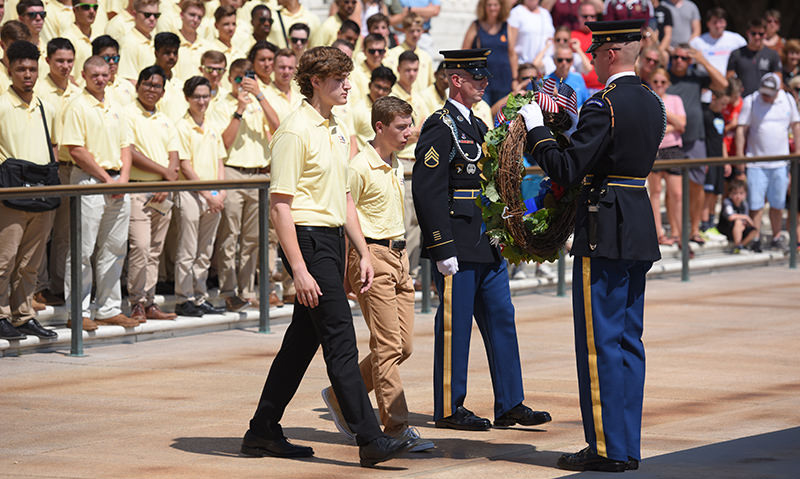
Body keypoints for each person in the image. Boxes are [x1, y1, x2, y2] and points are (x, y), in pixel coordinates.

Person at [241, 46, 410, 466]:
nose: (348, 85)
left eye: (348, 77)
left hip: (333, 240)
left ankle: (261, 431)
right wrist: (298, 268)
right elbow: (280, 204)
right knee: (341, 340)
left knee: (300, 345)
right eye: (338, 79)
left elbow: (345, 196)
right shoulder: (294, 130)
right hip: (307, 242)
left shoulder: (337, 126)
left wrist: (361, 250)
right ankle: (370, 439)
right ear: (315, 81)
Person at [520, 20, 665, 472]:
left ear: (610, 54)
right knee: (627, 343)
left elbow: (566, 167)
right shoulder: (653, 102)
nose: (592, 58)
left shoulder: (606, 104)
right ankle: (626, 446)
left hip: (604, 228)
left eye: (596, 51)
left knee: (599, 344)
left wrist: (536, 129)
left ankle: (605, 449)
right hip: (637, 223)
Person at [413, 48, 551, 431]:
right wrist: (441, 247)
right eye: (476, 77)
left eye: (485, 77)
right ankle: (448, 407)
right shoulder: (441, 126)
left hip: (488, 243)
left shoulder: (476, 124)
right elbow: (427, 192)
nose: (484, 83)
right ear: (455, 80)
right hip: (457, 245)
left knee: (502, 319)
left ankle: (510, 402)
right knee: (455, 329)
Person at [322, 95, 434, 452]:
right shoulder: (358, 166)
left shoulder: (395, 161)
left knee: (404, 346)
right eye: (401, 127)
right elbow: (344, 217)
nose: (408, 133)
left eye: (409, 125)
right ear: (380, 127)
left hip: (398, 257)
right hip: (370, 255)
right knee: (387, 347)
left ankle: (342, 396)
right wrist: (348, 268)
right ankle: (396, 428)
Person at [62, 56, 139, 331]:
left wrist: (124, 180)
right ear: (83, 75)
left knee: (115, 248)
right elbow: (75, 149)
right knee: (83, 249)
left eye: (105, 75)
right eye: (95, 75)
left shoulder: (117, 106)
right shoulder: (77, 106)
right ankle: (77, 311)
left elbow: (125, 146)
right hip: (90, 181)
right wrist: (107, 179)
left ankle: (108, 308)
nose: (100, 80)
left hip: (117, 181)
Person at [0, 40, 59, 341]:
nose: (27, 74)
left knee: (31, 263)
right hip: (10, 193)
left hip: (41, 192)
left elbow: (54, 148)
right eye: (21, 68)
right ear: (8, 69)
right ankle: (0, 315)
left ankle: (23, 316)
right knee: (4, 259)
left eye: (32, 69)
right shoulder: (0, 105)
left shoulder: (45, 106)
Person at [212, 58, 275, 312]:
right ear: (230, 79)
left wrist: (258, 94)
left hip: (259, 174)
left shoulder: (260, 102)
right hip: (233, 172)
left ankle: (247, 291)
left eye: (248, 78)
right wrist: (238, 109)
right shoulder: (220, 104)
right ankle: (229, 291)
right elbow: (224, 142)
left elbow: (278, 126)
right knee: (230, 236)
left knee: (253, 239)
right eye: (239, 78)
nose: (244, 83)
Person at [125, 65, 180, 321]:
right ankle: (135, 301)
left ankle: (149, 302)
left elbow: (174, 157)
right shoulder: (128, 114)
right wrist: (164, 175)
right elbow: (131, 153)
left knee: (155, 250)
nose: (151, 89)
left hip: (162, 194)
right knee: (141, 247)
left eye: (157, 86)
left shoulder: (166, 120)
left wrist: (166, 183)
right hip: (138, 189)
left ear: (163, 91)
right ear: (138, 86)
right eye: (147, 84)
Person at [173, 76, 227, 317]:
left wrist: (220, 192)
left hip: (213, 196)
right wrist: (208, 194)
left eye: (206, 96)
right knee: (188, 248)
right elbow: (185, 166)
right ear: (187, 98)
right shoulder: (181, 126)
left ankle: (200, 296)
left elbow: (220, 162)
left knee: (205, 250)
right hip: (191, 193)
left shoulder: (213, 126)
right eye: (197, 97)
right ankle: (183, 298)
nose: (202, 101)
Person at [33, 38, 81, 308]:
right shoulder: (39, 91)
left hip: (72, 169)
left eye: (69, 61)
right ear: (48, 61)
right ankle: (37, 286)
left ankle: (58, 285)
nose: (65, 66)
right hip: (47, 168)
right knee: (43, 232)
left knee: (64, 232)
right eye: (60, 60)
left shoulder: (77, 92)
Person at [667, 43, 727, 247]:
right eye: (675, 57)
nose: (679, 61)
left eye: (684, 58)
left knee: (697, 186)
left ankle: (694, 229)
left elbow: (722, 84)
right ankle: (675, 231)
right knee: (672, 189)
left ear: (690, 60)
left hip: (695, 138)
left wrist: (703, 61)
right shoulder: (664, 77)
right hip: (670, 139)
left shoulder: (696, 76)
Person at [736, 73, 800, 252]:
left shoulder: (786, 100)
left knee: (777, 204)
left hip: (780, 163)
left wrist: (797, 152)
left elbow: (796, 125)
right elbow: (741, 129)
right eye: (763, 92)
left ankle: (777, 236)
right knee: (756, 204)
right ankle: (754, 237)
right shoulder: (751, 100)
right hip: (756, 161)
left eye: (769, 93)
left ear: (778, 90)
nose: (765, 96)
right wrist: (740, 157)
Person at [647, 67, 684, 246]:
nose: (659, 85)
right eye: (656, 82)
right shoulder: (646, 101)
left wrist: (661, 107)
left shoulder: (674, 100)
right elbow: (648, 129)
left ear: (668, 84)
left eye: (663, 82)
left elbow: (682, 125)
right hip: (654, 149)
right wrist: (671, 124)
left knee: (677, 193)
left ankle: (677, 232)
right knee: (655, 192)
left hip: (673, 149)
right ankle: (658, 233)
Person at [461, 0, 517, 105]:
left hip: (504, 78)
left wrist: (515, 79)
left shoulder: (506, 26)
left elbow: (512, 54)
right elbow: (465, 50)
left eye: (495, 5)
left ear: (501, 7)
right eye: (489, 5)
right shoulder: (476, 25)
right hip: (481, 78)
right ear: (484, 7)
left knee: (501, 114)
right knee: (483, 112)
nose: (492, 8)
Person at [688, 7, 745, 104]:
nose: (718, 26)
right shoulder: (696, 43)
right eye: (715, 22)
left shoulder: (737, 39)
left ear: (725, 23)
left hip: (731, 87)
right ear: (708, 24)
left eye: (721, 22)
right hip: (709, 88)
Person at [726, 19, 782, 97]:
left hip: (764, 100)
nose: (757, 37)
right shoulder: (736, 54)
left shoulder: (773, 54)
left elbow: (778, 80)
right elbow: (730, 78)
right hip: (742, 100)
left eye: (761, 34)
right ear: (747, 33)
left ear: (765, 34)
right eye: (753, 33)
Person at [118, 0, 160, 83]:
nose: (152, 19)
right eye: (147, 15)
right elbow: (128, 79)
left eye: (156, 15)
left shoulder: (155, 40)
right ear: (134, 15)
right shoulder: (128, 43)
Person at [173, 0, 211, 82]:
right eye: (192, 15)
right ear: (181, 15)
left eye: (199, 17)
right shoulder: (170, 44)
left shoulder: (208, 47)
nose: (195, 20)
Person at [508, 0, 554, 65]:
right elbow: (511, 47)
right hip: (525, 66)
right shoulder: (516, 13)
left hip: (547, 67)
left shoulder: (545, 13)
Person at [718, 179, 757, 253]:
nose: (738, 196)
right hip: (726, 228)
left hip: (739, 228)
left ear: (745, 194)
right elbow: (730, 217)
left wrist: (745, 222)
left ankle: (740, 246)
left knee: (754, 230)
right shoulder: (727, 202)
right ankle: (737, 246)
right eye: (735, 193)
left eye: (741, 193)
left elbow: (745, 221)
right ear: (730, 194)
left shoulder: (744, 204)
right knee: (738, 222)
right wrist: (746, 217)